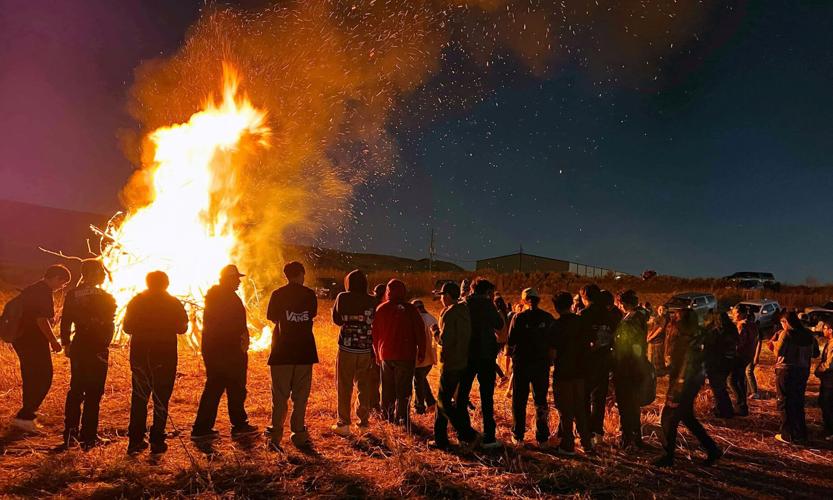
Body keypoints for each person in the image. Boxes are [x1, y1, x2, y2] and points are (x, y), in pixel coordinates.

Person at [124, 271, 188, 455]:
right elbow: (182, 328)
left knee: (139, 398)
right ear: (166, 284)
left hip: (140, 355)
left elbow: (127, 327)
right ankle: (157, 440)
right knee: (161, 399)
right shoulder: (173, 303)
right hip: (165, 355)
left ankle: (135, 441)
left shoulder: (136, 301)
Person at [191, 265, 257, 441]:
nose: (239, 282)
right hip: (226, 352)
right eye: (236, 278)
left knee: (218, 388)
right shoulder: (223, 297)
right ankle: (237, 425)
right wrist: (238, 342)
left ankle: (203, 428)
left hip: (220, 351)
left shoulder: (220, 296)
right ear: (228, 279)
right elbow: (226, 326)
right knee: (231, 388)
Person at [653, 308, 722, 467]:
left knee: (669, 418)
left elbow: (686, 365)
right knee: (687, 417)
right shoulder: (697, 336)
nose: (673, 321)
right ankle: (712, 449)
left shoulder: (687, 340)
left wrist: (678, 385)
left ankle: (667, 455)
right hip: (692, 382)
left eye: (676, 318)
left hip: (683, 384)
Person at [60, 259, 116, 449]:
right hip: (97, 348)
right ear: (97, 273)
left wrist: (66, 342)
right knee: (94, 393)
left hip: (79, 346)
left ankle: (69, 434)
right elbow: (109, 325)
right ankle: (89, 437)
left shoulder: (72, 294)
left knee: (76, 389)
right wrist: (104, 345)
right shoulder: (106, 296)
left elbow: (65, 320)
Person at [9, 264, 70, 434]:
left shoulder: (31, 289)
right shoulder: (44, 292)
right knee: (45, 377)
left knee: (30, 377)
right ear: (56, 278)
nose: (61, 287)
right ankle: (25, 416)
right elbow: (41, 319)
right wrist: (53, 341)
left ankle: (26, 417)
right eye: (63, 283)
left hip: (21, 340)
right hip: (33, 341)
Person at [266, 261, 318, 450]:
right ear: (301, 274)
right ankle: (299, 434)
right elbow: (312, 314)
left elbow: (271, 316)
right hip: (304, 351)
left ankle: (275, 436)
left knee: (279, 397)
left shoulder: (278, 294)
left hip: (282, 352)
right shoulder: (310, 294)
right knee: (301, 397)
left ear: (286, 275)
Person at [432, 282, 479, 450]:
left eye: (442, 296)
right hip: (462, 361)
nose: (441, 299)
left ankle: (468, 433)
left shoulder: (449, 313)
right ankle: (440, 439)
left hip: (450, 363)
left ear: (447, 296)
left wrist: (435, 332)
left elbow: (444, 340)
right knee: (446, 401)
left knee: (443, 402)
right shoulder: (464, 310)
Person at [371, 279, 425, 426]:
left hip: (386, 355)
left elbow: (375, 334)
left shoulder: (381, 309)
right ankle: (402, 418)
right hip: (406, 355)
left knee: (387, 388)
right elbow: (420, 331)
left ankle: (387, 416)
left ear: (388, 292)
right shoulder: (410, 309)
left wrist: (377, 354)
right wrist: (422, 351)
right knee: (404, 389)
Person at [459, 278, 505, 448]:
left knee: (462, 395)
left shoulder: (464, 303)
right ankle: (488, 437)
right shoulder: (487, 305)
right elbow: (499, 325)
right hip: (486, 356)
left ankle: (465, 434)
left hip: (467, 355)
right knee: (487, 397)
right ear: (487, 292)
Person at [330, 270, 376, 436]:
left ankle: (343, 424)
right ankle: (363, 423)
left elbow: (336, 320)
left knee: (344, 385)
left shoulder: (343, 297)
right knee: (363, 386)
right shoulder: (372, 299)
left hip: (347, 348)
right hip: (365, 348)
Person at [507, 288, 554, 447]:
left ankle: (518, 435)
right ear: (538, 300)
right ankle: (542, 437)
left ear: (523, 301)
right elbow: (553, 342)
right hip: (541, 365)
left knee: (519, 400)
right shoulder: (548, 318)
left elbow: (511, 341)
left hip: (522, 364)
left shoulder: (518, 317)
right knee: (540, 400)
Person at [550, 291, 593, 454]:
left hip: (563, 373)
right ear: (571, 304)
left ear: (556, 307)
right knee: (580, 409)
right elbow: (590, 343)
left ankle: (568, 445)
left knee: (565, 410)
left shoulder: (556, 326)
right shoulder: (581, 322)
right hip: (581, 372)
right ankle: (587, 443)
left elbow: (552, 353)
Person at [769, 312, 820, 445]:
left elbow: (779, 352)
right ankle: (801, 433)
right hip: (803, 371)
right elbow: (816, 353)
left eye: (782, 323)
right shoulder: (809, 334)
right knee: (798, 401)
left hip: (786, 371)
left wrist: (773, 344)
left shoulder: (786, 334)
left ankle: (787, 434)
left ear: (786, 322)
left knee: (784, 401)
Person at [579, 283, 618, 445]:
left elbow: (579, 339)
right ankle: (598, 433)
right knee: (599, 397)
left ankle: (586, 433)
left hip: (588, 360)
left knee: (584, 397)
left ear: (584, 296)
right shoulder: (609, 315)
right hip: (605, 359)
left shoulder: (584, 314)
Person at [612, 290, 649, 450]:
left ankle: (626, 439)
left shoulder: (628, 321)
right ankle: (636, 437)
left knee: (625, 403)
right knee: (633, 404)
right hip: (637, 365)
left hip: (626, 367)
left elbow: (624, 345)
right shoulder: (641, 316)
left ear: (622, 303)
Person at [704, 312, 741, 418]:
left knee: (718, 388)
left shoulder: (716, 332)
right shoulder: (732, 329)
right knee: (721, 386)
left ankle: (725, 411)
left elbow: (710, 349)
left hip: (717, 363)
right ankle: (721, 408)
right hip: (729, 362)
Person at [412, 299, 438, 415]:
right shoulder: (432, 318)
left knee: (418, 381)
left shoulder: (417, 319)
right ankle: (431, 402)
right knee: (421, 379)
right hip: (431, 356)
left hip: (420, 355)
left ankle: (420, 407)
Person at [731, 308, 758, 414]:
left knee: (731, 381)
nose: (733, 315)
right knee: (741, 380)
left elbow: (739, 343)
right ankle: (743, 406)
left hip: (739, 356)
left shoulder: (742, 325)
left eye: (735, 313)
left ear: (742, 313)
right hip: (748, 356)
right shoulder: (753, 325)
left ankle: (740, 404)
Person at [815, 321, 833, 440]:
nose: (823, 330)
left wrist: (819, 370)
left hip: (830, 380)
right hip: (827, 379)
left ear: (831, 330)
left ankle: (830, 430)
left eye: (825, 328)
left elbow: (830, 363)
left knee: (828, 404)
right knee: (823, 402)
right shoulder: (829, 342)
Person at [647, 305, 669, 375]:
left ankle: (658, 371)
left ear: (665, 311)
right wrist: (648, 336)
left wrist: (651, 337)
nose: (660, 310)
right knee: (651, 356)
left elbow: (659, 330)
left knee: (657, 356)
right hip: (653, 340)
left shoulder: (664, 319)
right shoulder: (656, 318)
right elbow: (652, 328)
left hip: (658, 340)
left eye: (662, 309)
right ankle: (652, 370)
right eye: (659, 309)